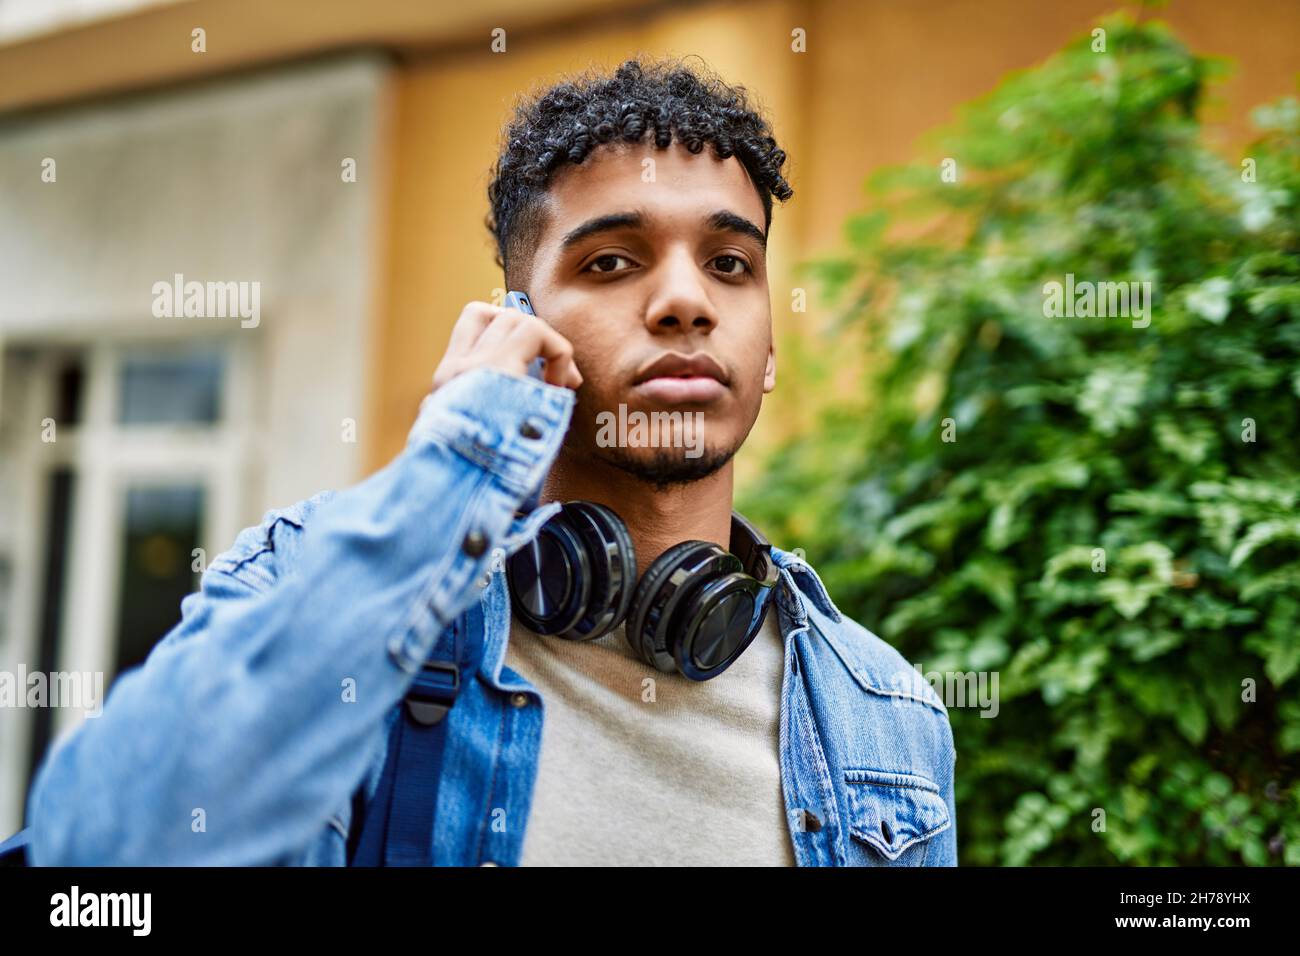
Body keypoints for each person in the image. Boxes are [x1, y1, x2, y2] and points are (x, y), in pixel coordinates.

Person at [20, 57, 956, 867]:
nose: (687, 301)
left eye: (729, 264)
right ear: (516, 324)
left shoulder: (886, 722)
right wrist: (456, 465)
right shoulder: (323, 589)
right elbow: (101, 852)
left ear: (770, 348)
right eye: (611, 262)